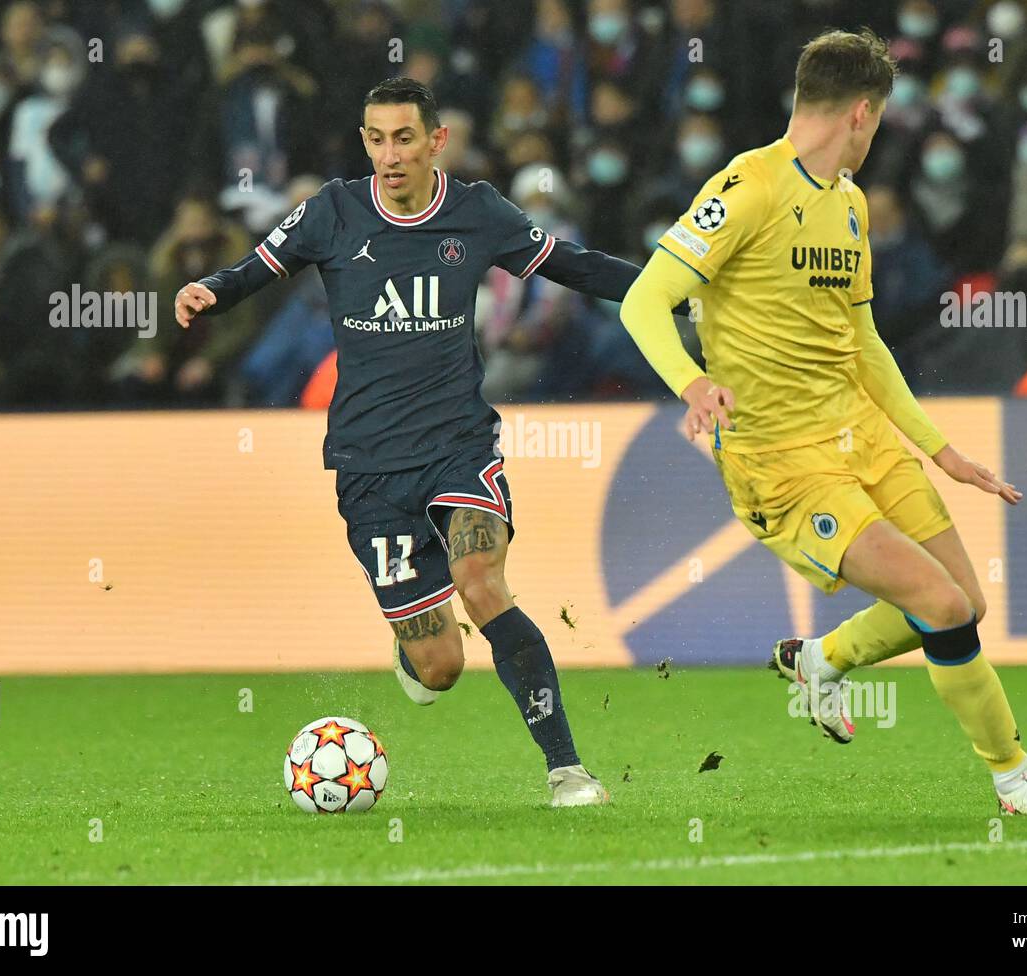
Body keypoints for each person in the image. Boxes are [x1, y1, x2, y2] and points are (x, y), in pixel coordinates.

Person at [619, 29, 1027, 816]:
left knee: (965, 604)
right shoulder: (748, 187)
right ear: (864, 113)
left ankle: (821, 659)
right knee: (938, 607)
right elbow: (643, 299)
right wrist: (692, 381)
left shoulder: (850, 203)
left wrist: (942, 453)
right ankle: (1015, 778)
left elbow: (863, 342)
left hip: (863, 434)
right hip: (782, 461)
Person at [176, 78, 679, 807]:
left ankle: (566, 769)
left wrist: (666, 287)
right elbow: (258, 268)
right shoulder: (333, 212)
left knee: (482, 582)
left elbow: (570, 262)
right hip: (369, 468)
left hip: (457, 447)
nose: (390, 155)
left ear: (436, 141)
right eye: (376, 139)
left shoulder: (477, 214)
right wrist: (211, 290)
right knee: (440, 666)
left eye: (404, 138)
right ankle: (417, 649)